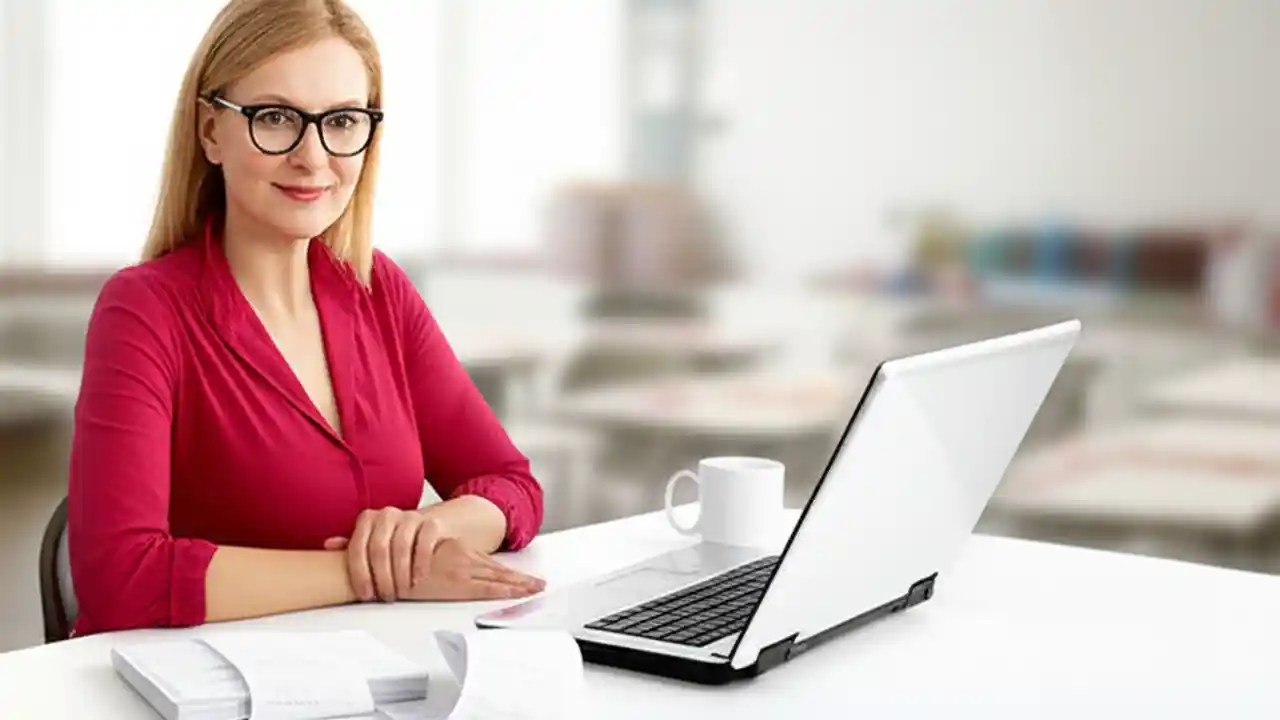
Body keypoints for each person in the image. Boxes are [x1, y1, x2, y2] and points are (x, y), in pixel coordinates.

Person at [67, 0, 545, 637]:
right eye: (275, 118)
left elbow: (512, 486)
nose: (314, 156)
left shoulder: (378, 291)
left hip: (374, 677)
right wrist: (369, 573)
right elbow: (120, 580)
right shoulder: (144, 311)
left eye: (342, 121)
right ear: (211, 130)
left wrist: (422, 533)